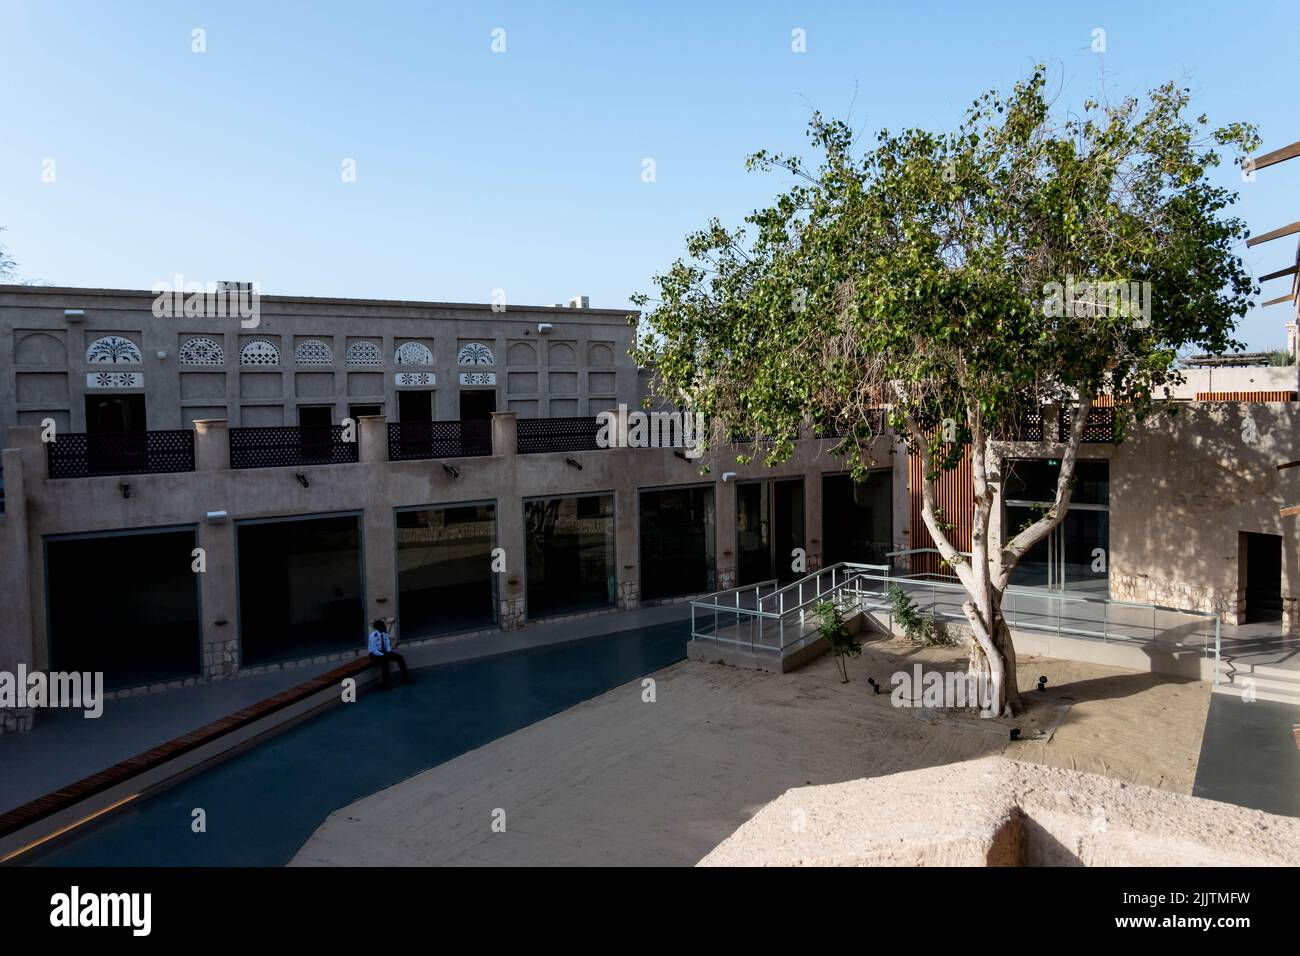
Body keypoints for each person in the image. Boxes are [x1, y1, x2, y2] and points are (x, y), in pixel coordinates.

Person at [367, 619, 413, 688]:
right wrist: (384, 655)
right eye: (382, 626)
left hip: (385, 652)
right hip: (375, 655)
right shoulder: (373, 636)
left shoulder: (384, 633)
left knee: (400, 657)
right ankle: (386, 683)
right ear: (378, 628)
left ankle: (405, 678)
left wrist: (388, 652)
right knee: (385, 661)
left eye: (384, 626)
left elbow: (387, 645)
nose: (384, 627)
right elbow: (374, 650)